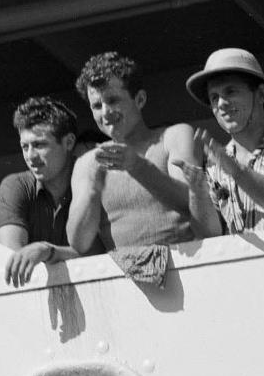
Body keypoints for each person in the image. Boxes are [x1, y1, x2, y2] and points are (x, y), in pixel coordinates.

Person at [67, 52, 217, 254]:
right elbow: (79, 243)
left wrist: (138, 166)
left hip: (187, 270)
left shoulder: (174, 137)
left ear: (139, 99)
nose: (105, 112)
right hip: (128, 280)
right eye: (96, 105)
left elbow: (191, 204)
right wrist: (93, 189)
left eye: (112, 100)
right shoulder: (86, 163)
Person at [184, 48, 264, 232]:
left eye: (230, 91)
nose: (221, 103)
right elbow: (210, 236)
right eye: (214, 97)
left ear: (261, 94)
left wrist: (237, 171)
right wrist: (196, 191)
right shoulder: (214, 164)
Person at [0, 97, 84, 286]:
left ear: (69, 142)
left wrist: (47, 251)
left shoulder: (92, 179)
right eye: (24, 146)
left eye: (39, 145)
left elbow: (102, 255)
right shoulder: (15, 185)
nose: (30, 156)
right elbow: (11, 257)